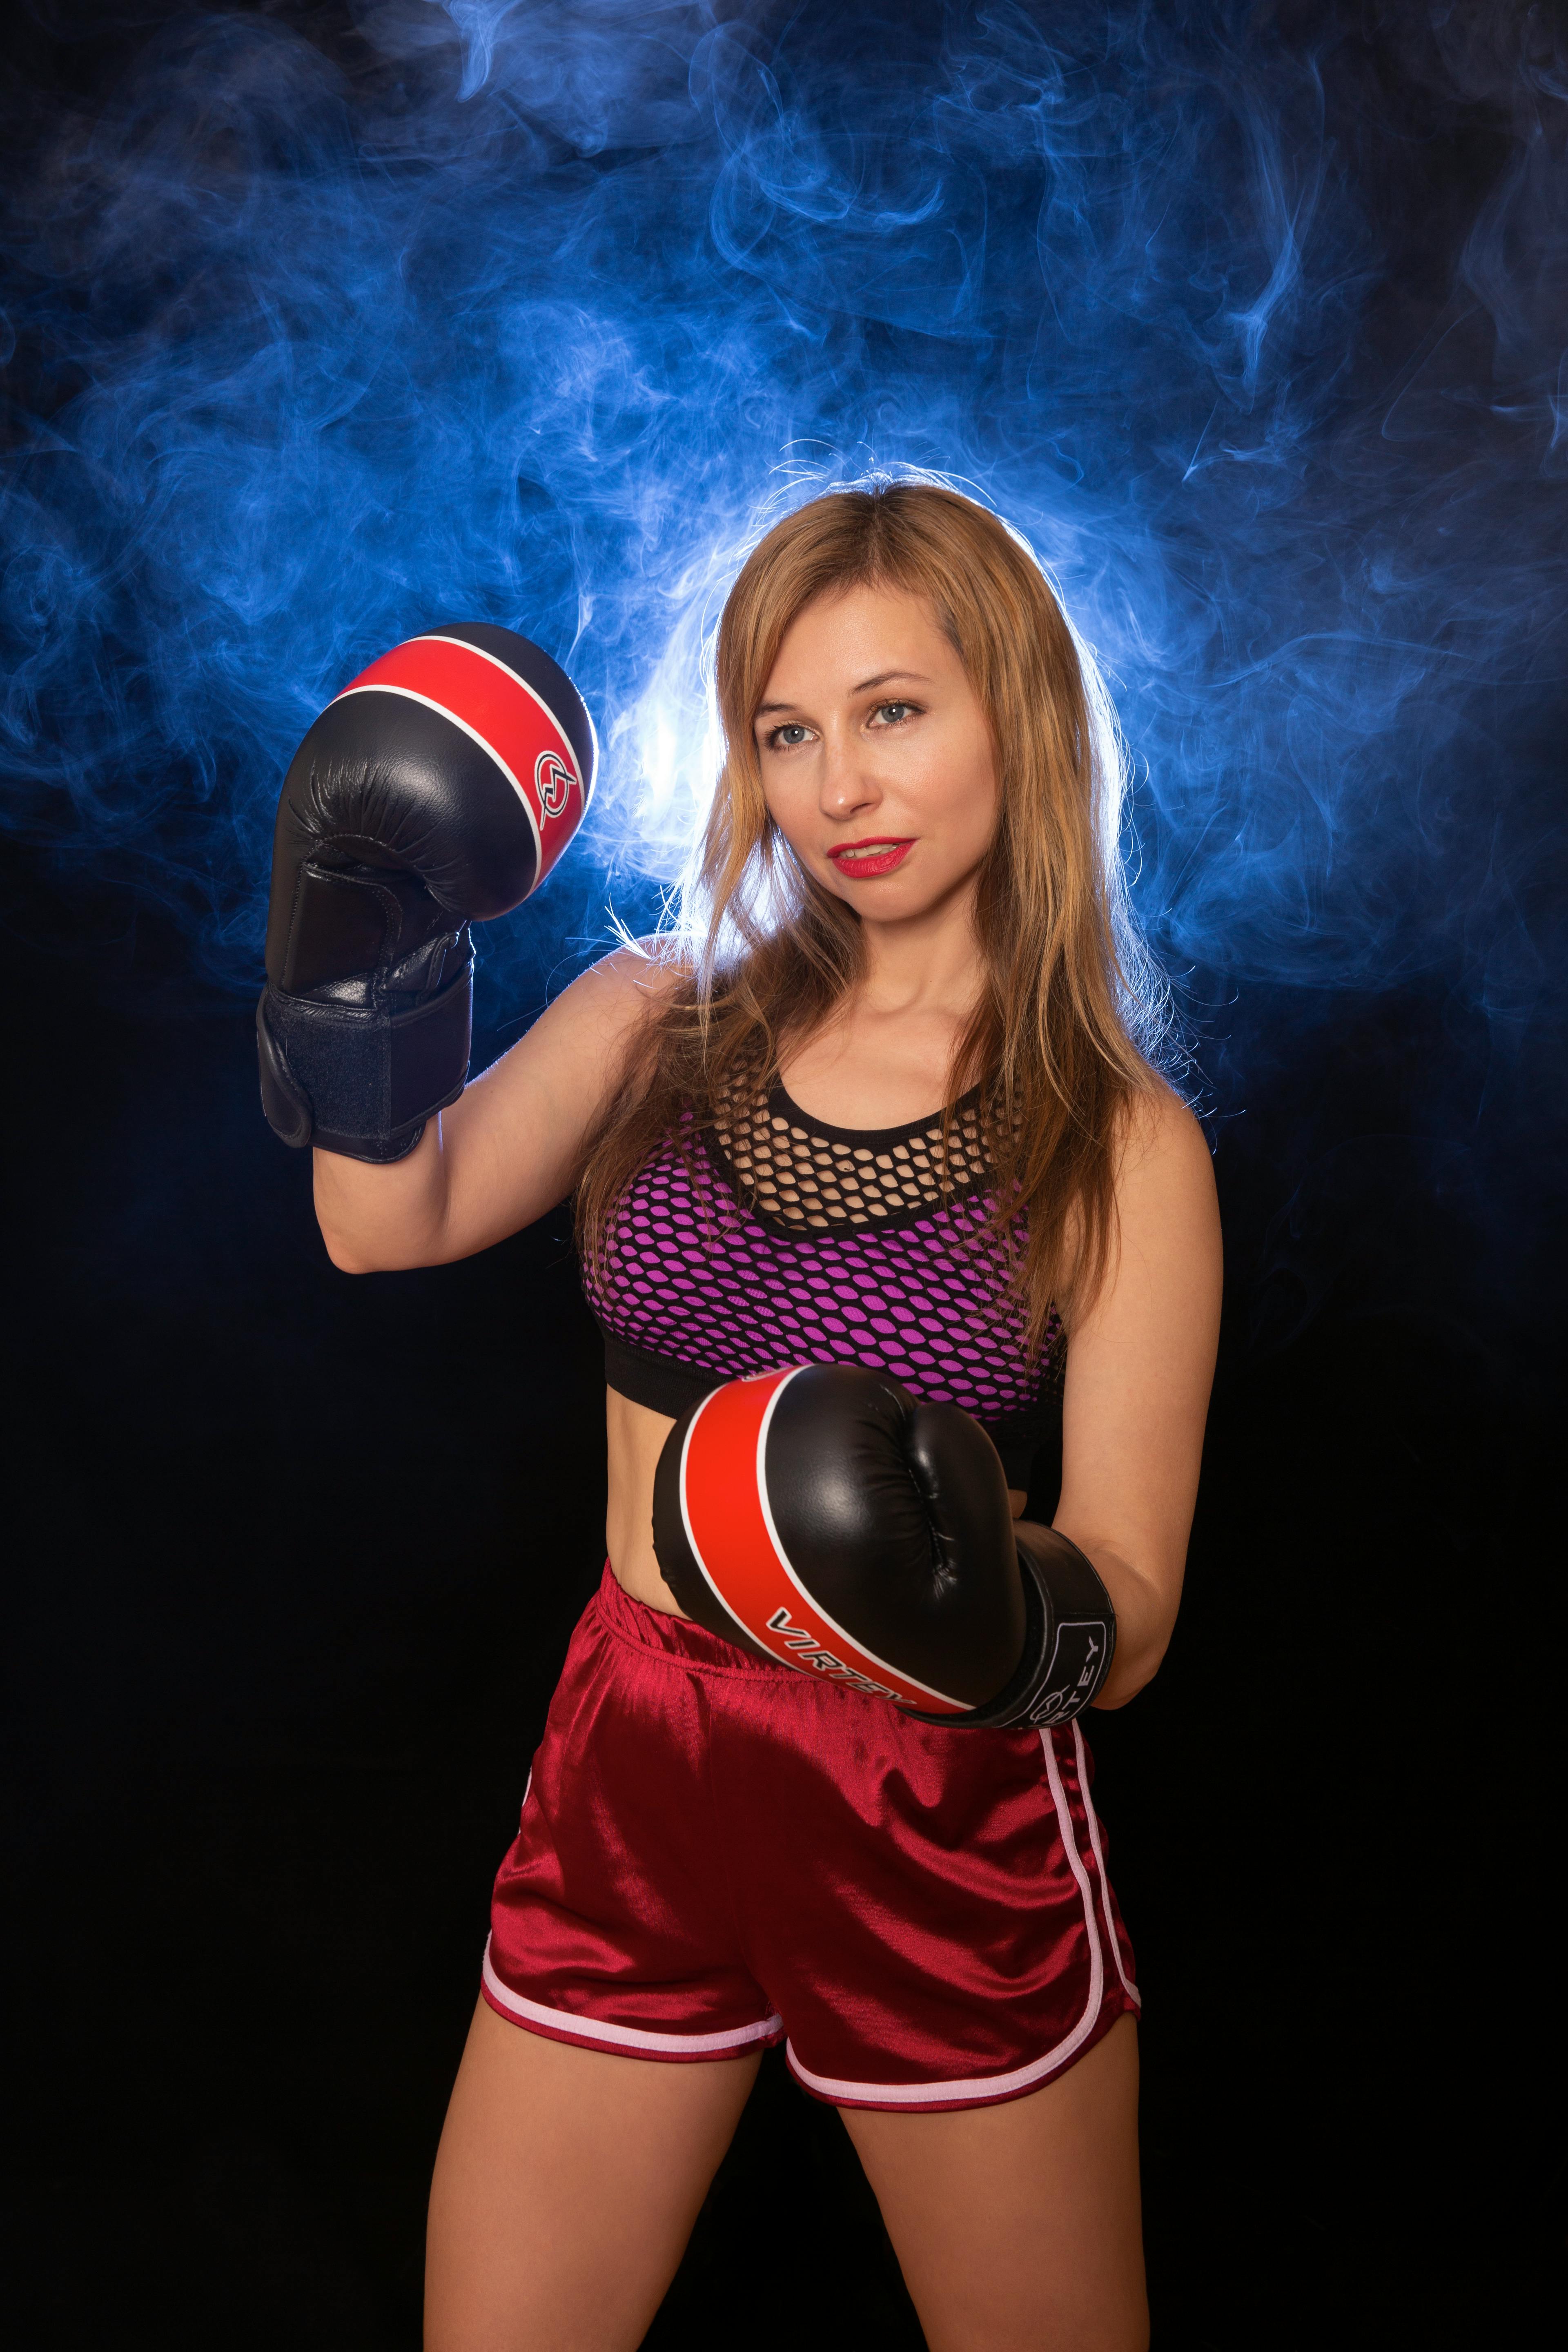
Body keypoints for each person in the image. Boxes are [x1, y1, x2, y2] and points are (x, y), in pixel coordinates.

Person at [304, 485, 1222, 2350]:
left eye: (894, 712)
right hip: (631, 1754)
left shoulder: (1118, 1138)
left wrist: (963, 1594)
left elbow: (1129, 1608)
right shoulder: (658, 1017)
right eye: (788, 732)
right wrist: (352, 941)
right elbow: (377, 1223)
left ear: (1015, 714)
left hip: (925, 1795)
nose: (840, 786)